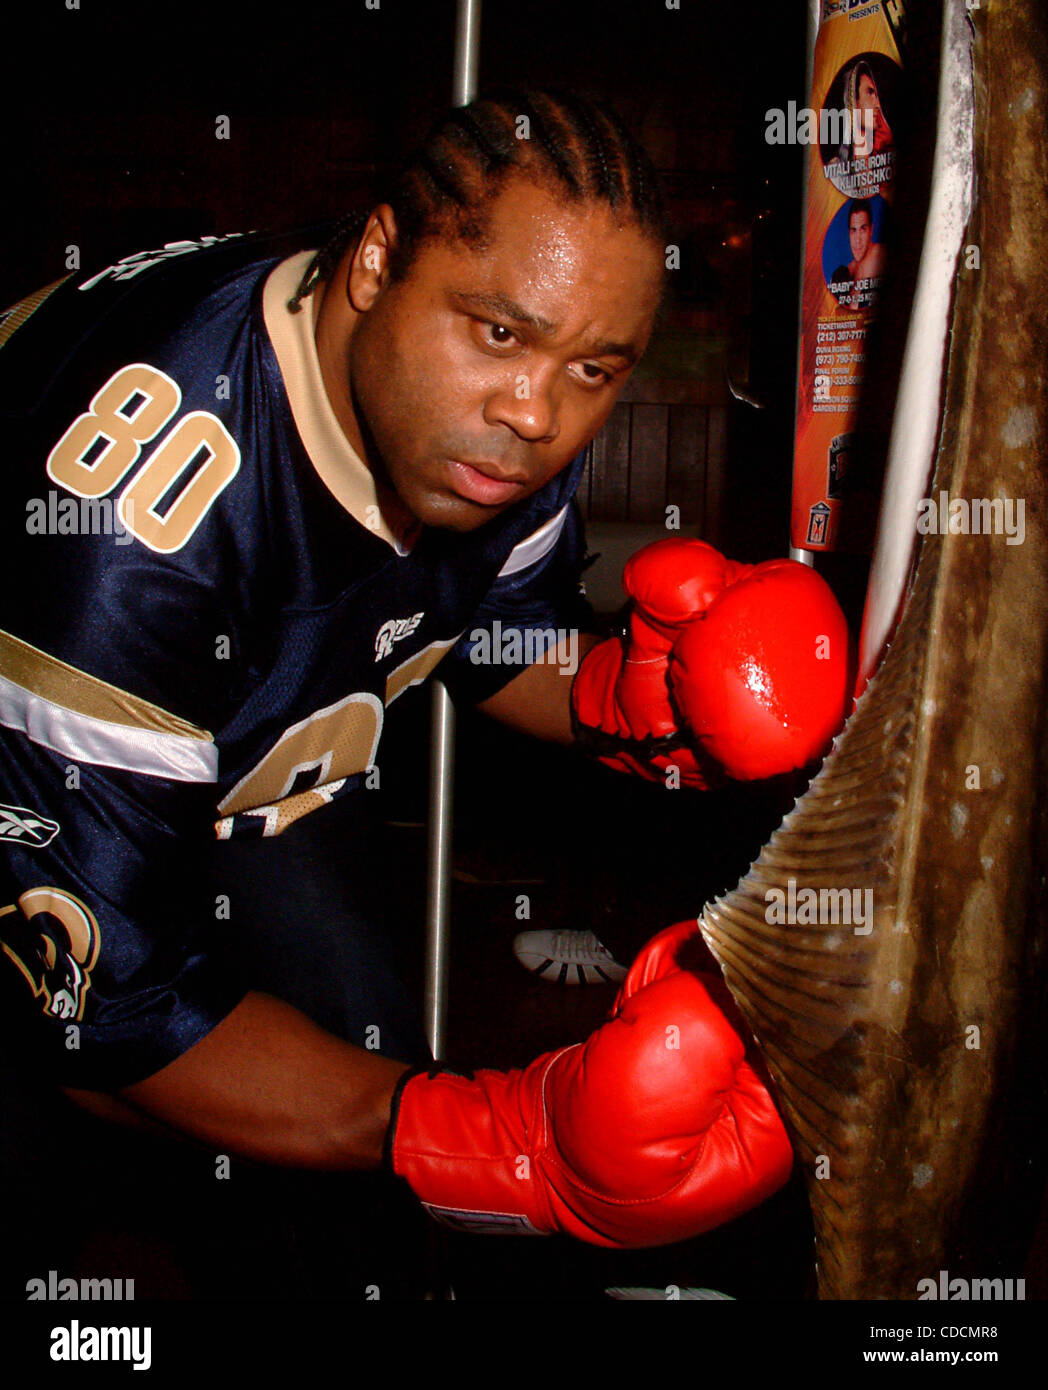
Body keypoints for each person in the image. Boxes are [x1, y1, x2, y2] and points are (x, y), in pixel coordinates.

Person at [0, 87, 843, 1294]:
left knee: (365, 1113)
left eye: (593, 365)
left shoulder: (493, 408)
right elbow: (108, 1020)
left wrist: (634, 693)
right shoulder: (124, 542)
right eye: (498, 333)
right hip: (34, 757)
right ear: (375, 258)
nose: (537, 412)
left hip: (234, 764)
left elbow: (484, 639)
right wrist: (502, 1143)